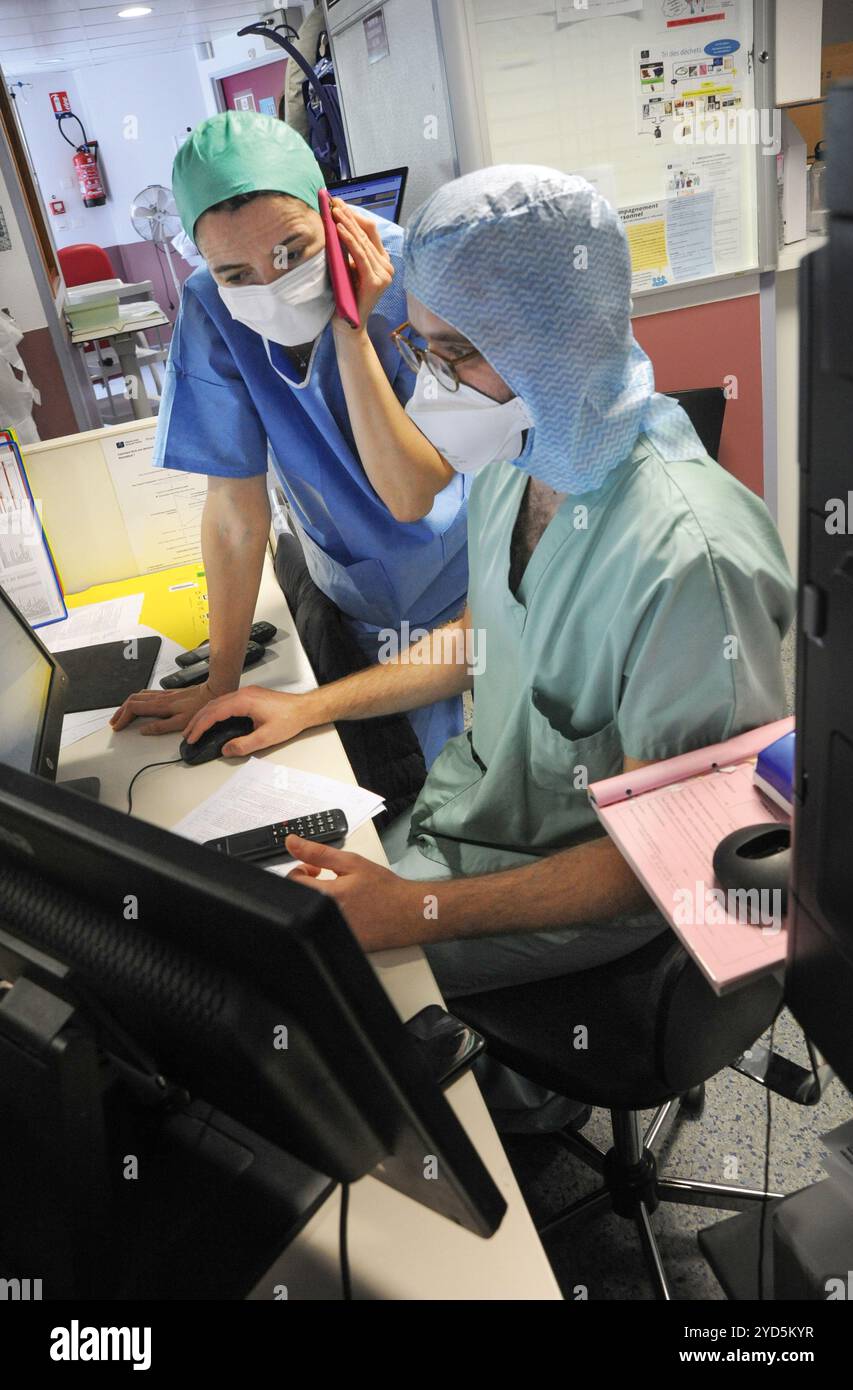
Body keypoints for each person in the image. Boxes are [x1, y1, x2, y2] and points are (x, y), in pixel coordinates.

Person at [181, 165, 795, 1013]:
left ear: (559, 338)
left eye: (458, 354)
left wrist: (417, 911)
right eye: (422, 347)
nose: (432, 384)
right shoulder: (519, 454)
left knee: (297, 990)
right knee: (261, 919)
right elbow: (482, 638)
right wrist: (311, 708)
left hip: (590, 889)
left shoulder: (691, 560)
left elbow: (672, 852)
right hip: (478, 819)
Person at [111, 111, 467, 766]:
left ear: (330, 213)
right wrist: (221, 683)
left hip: (464, 598)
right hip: (354, 598)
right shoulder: (213, 307)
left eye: (292, 252)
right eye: (236, 271)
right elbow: (233, 511)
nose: (269, 286)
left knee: (469, 781)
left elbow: (411, 494)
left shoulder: (416, 279)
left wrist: (350, 324)